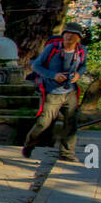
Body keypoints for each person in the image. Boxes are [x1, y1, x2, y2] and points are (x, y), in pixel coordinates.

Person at [22, 21, 87, 162]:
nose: (68, 38)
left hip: (70, 91)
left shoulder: (81, 51)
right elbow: (36, 66)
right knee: (43, 123)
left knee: (71, 122)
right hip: (52, 91)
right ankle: (29, 145)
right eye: (66, 34)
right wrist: (53, 75)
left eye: (72, 35)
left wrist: (78, 75)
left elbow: (83, 66)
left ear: (79, 38)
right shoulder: (52, 49)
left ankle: (67, 152)